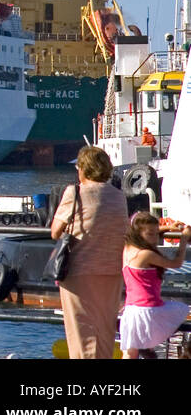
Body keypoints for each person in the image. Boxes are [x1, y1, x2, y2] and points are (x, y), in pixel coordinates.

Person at [51, 145, 128, 359]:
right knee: (105, 329)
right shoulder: (119, 196)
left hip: (79, 270)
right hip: (112, 270)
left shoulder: (74, 192)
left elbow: (55, 232)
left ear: (83, 168)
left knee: (81, 331)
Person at [119, 212, 190, 358]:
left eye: (155, 233)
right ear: (138, 233)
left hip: (132, 309)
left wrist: (168, 227)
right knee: (183, 310)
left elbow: (149, 232)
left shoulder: (127, 248)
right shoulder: (145, 254)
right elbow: (176, 263)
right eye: (150, 234)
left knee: (130, 352)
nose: (154, 238)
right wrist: (183, 239)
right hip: (149, 309)